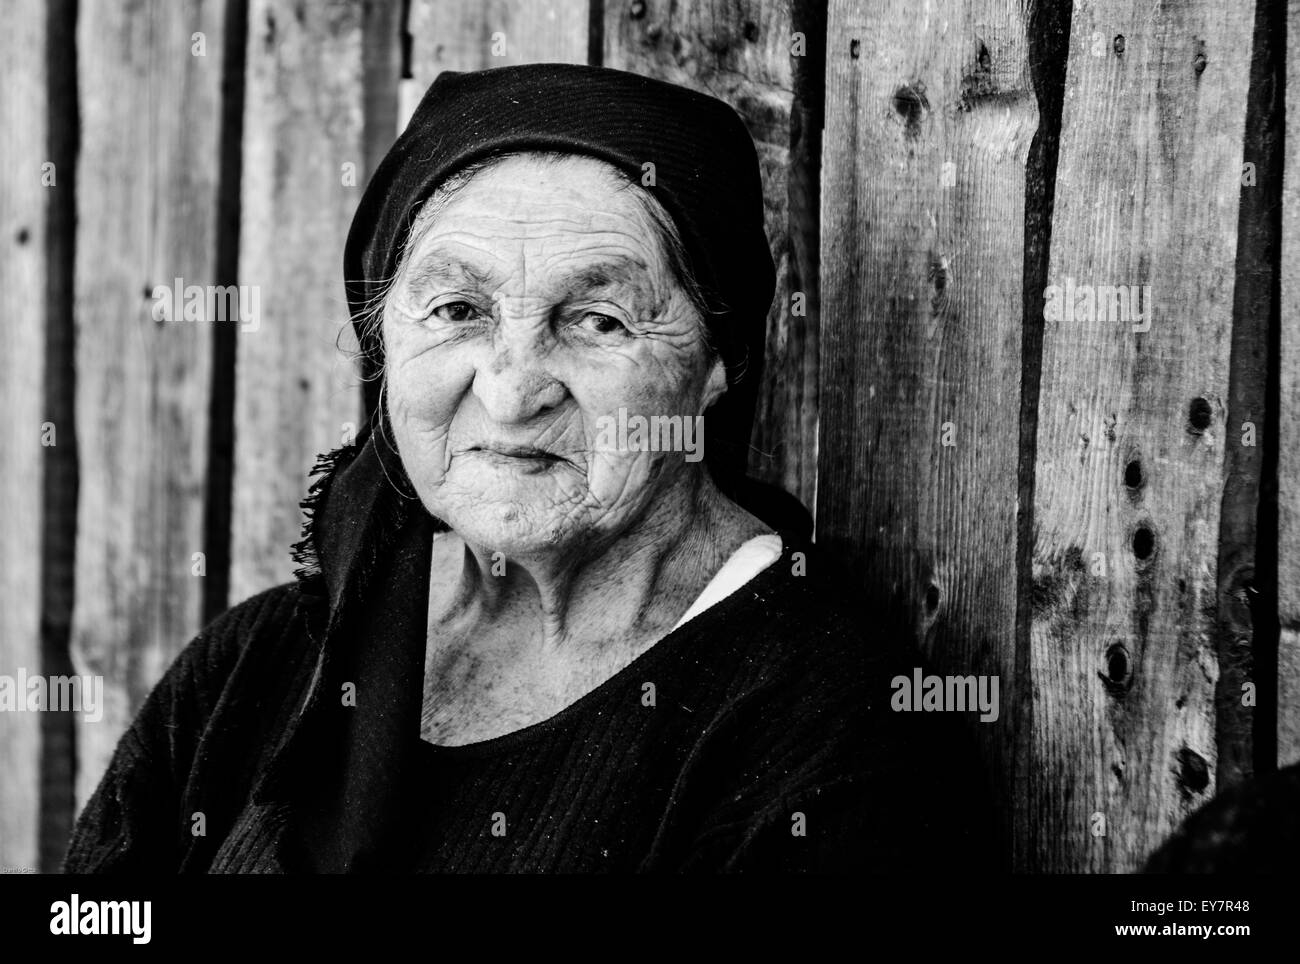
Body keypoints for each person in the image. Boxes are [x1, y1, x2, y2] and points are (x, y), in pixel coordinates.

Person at [63, 63, 992, 873]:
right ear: (382, 338)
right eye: (458, 310)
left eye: (597, 322)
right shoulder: (262, 662)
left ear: (716, 363)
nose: (510, 394)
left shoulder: (825, 733)